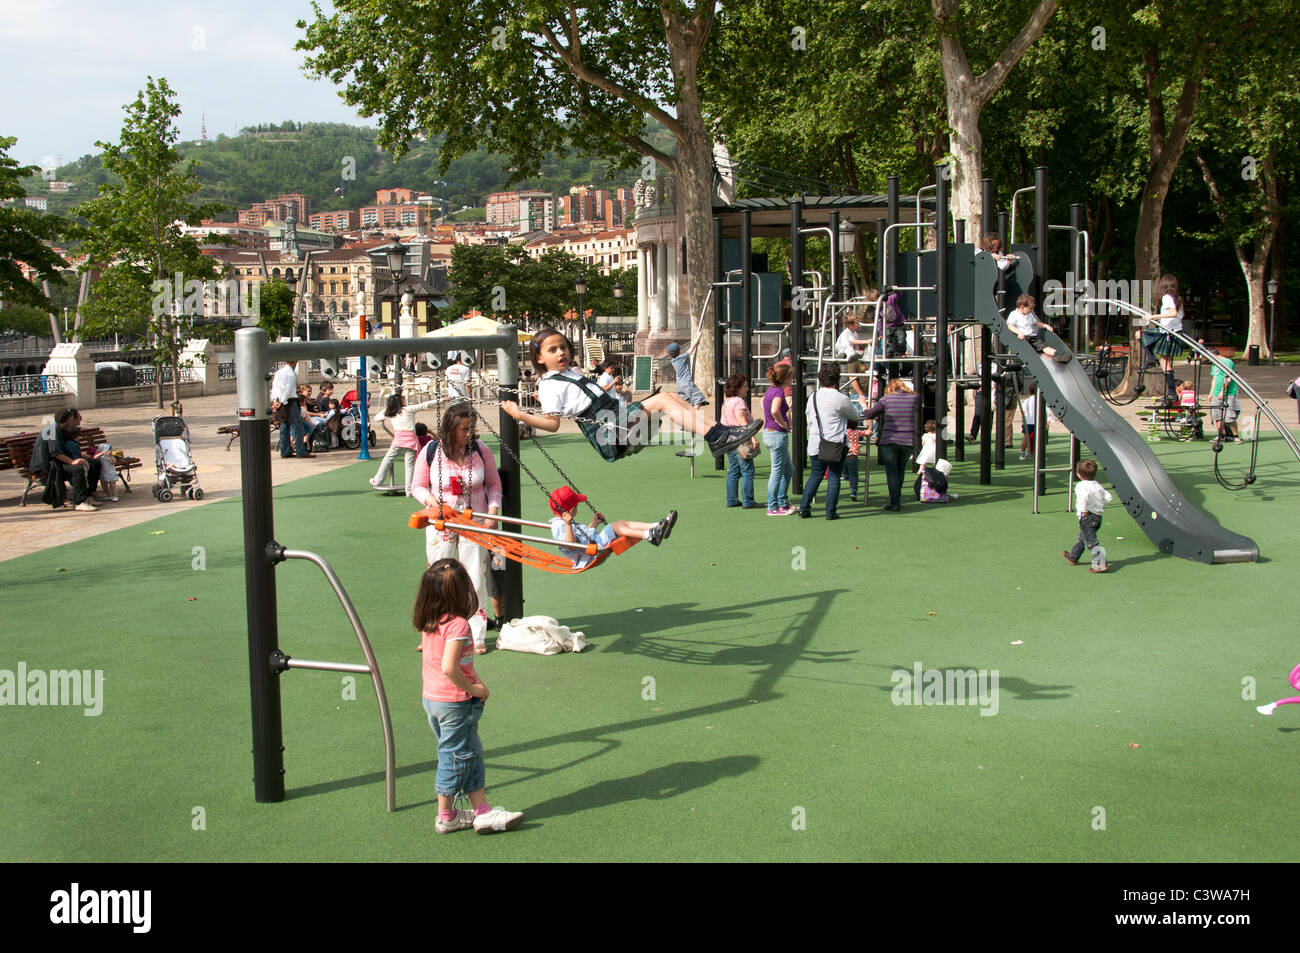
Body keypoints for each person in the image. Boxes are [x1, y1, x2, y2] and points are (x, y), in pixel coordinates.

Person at [501, 328, 760, 462]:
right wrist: (520, 414)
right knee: (665, 400)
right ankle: (718, 437)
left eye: (564, 347)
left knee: (677, 400)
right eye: (552, 350)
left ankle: (725, 436)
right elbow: (552, 424)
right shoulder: (549, 384)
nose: (561, 353)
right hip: (606, 430)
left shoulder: (568, 374)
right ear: (539, 357)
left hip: (614, 417)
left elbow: (579, 395)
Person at [414, 559, 524, 835]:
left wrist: (475, 682)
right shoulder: (458, 625)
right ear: (462, 590)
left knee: (471, 753)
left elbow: (448, 664)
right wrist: (474, 690)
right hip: (454, 702)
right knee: (456, 758)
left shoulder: (430, 618)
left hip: (433, 698)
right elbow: (449, 667)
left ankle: (482, 811)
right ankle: (446, 816)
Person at [411, 402, 502, 654]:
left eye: (471, 428)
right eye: (463, 429)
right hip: (442, 522)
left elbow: (494, 485)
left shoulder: (480, 450)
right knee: (440, 575)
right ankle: (434, 630)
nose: (468, 433)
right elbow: (417, 486)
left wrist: (492, 512)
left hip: (475, 520)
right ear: (450, 428)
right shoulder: (431, 451)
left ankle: (475, 633)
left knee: (475, 576)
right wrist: (430, 499)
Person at [547, 486, 676, 569]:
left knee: (620, 523)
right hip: (589, 554)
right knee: (612, 527)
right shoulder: (560, 526)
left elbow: (584, 536)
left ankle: (656, 526)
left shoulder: (563, 521)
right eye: (577, 506)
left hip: (591, 546)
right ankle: (650, 535)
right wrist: (568, 524)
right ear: (571, 509)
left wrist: (594, 523)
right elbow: (570, 545)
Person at [798, 363, 860, 520]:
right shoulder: (841, 399)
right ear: (837, 379)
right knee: (834, 477)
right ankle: (830, 511)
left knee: (815, 475)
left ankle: (804, 507)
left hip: (815, 442)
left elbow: (809, 418)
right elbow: (855, 416)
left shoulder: (813, 397)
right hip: (835, 443)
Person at [861, 377, 920, 512]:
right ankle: (896, 499)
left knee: (891, 471)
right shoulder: (913, 398)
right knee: (900, 469)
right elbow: (918, 395)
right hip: (908, 440)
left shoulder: (886, 400)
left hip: (890, 439)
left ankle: (895, 501)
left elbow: (870, 415)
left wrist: (864, 406)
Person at [31, 408, 103, 512]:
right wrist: (72, 462)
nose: (77, 421)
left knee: (94, 463)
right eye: (76, 418)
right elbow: (55, 453)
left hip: (57, 462)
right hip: (48, 466)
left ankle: (89, 495)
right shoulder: (52, 429)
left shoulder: (59, 429)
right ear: (69, 418)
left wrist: (81, 457)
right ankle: (79, 502)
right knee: (77, 468)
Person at [370, 392, 439, 494]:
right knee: (409, 465)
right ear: (399, 402)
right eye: (403, 399)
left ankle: (378, 479)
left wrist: (386, 412)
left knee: (388, 459)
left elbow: (376, 418)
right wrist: (440, 401)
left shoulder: (390, 412)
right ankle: (409, 490)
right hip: (411, 440)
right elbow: (425, 405)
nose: (404, 401)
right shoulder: (408, 410)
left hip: (398, 440)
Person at [1063, 459, 1112, 573]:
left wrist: (1084, 511)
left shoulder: (1081, 486)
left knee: (1091, 541)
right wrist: (1099, 505)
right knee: (1082, 538)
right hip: (1097, 516)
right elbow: (1109, 497)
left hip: (1088, 517)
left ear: (1078, 474)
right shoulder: (1097, 485)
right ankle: (1073, 556)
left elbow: (1084, 498)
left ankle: (1100, 564)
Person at [721, 372, 760, 508]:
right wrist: (753, 437)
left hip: (729, 439)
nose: (747, 388)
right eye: (745, 386)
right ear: (737, 388)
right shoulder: (739, 402)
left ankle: (731, 499)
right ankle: (748, 500)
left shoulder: (726, 403)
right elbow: (742, 421)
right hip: (740, 439)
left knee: (734, 470)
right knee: (748, 469)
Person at [1144, 274, 1185, 401]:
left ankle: (1172, 391)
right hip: (1175, 331)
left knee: (1165, 363)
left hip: (1168, 332)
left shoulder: (1167, 297)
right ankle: (1172, 391)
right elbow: (1181, 315)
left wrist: (1155, 316)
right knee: (1167, 363)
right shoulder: (1178, 298)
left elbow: (1172, 313)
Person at [761, 363, 796, 515]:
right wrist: (783, 424)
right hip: (776, 434)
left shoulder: (770, 391)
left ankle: (782, 502)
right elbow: (774, 410)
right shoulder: (778, 393)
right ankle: (772, 506)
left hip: (771, 433)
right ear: (787, 379)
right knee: (777, 471)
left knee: (788, 469)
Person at [1006, 294, 1070, 362]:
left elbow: (1035, 323)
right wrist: (1018, 333)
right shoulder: (1014, 314)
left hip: (1032, 337)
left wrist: (1045, 325)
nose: (1031, 310)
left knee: (1043, 346)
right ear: (1022, 307)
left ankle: (1058, 355)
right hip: (1022, 339)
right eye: (1030, 308)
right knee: (1030, 351)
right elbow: (1010, 325)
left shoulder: (1029, 315)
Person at [270, 361, 313, 458]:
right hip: (289, 401)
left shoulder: (279, 372)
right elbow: (288, 390)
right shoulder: (290, 374)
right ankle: (300, 451)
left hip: (280, 401)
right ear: (295, 362)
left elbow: (274, 387)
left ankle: (285, 451)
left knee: (284, 427)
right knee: (298, 427)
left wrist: (276, 400)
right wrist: (282, 400)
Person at [1209, 356, 1242, 445]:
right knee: (1217, 416)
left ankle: (1236, 437)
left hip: (1229, 393)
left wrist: (1222, 391)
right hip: (1216, 394)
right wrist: (1211, 393)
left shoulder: (1227, 362)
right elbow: (1214, 379)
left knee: (1229, 417)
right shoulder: (1214, 364)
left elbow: (1228, 378)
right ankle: (1221, 435)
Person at [665, 340, 708, 407]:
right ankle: (694, 415)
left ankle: (685, 416)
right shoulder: (682, 358)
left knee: (685, 403)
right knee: (698, 399)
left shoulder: (673, 361)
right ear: (679, 351)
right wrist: (697, 338)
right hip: (687, 383)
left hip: (680, 385)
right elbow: (692, 348)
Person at [1019, 382, 1039, 461]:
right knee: (1038, 438)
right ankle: (1035, 452)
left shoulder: (1027, 400)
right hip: (1037, 422)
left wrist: (1023, 422)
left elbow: (1023, 412)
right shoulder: (1040, 400)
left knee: (1025, 437)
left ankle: (1023, 453)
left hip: (1028, 421)